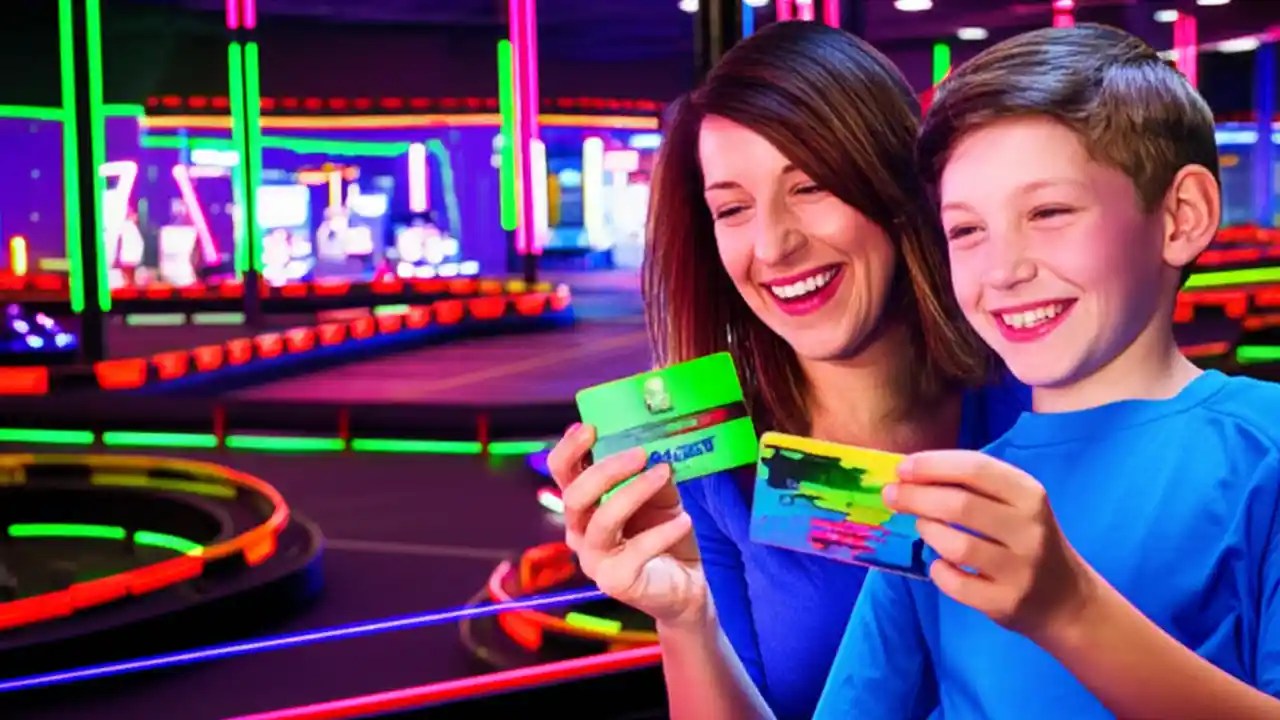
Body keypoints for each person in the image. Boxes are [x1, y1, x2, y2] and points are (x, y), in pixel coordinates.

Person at [545, 21, 1027, 720]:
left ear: (895, 184)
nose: (772, 246)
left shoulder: (1036, 393)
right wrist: (685, 617)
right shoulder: (710, 463)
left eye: (811, 186)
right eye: (732, 208)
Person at [816, 24, 1280, 719]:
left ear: (1181, 216)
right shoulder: (946, 503)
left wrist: (1071, 610)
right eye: (967, 231)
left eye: (1049, 212)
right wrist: (688, 615)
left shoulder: (1263, 449)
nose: (1004, 271)